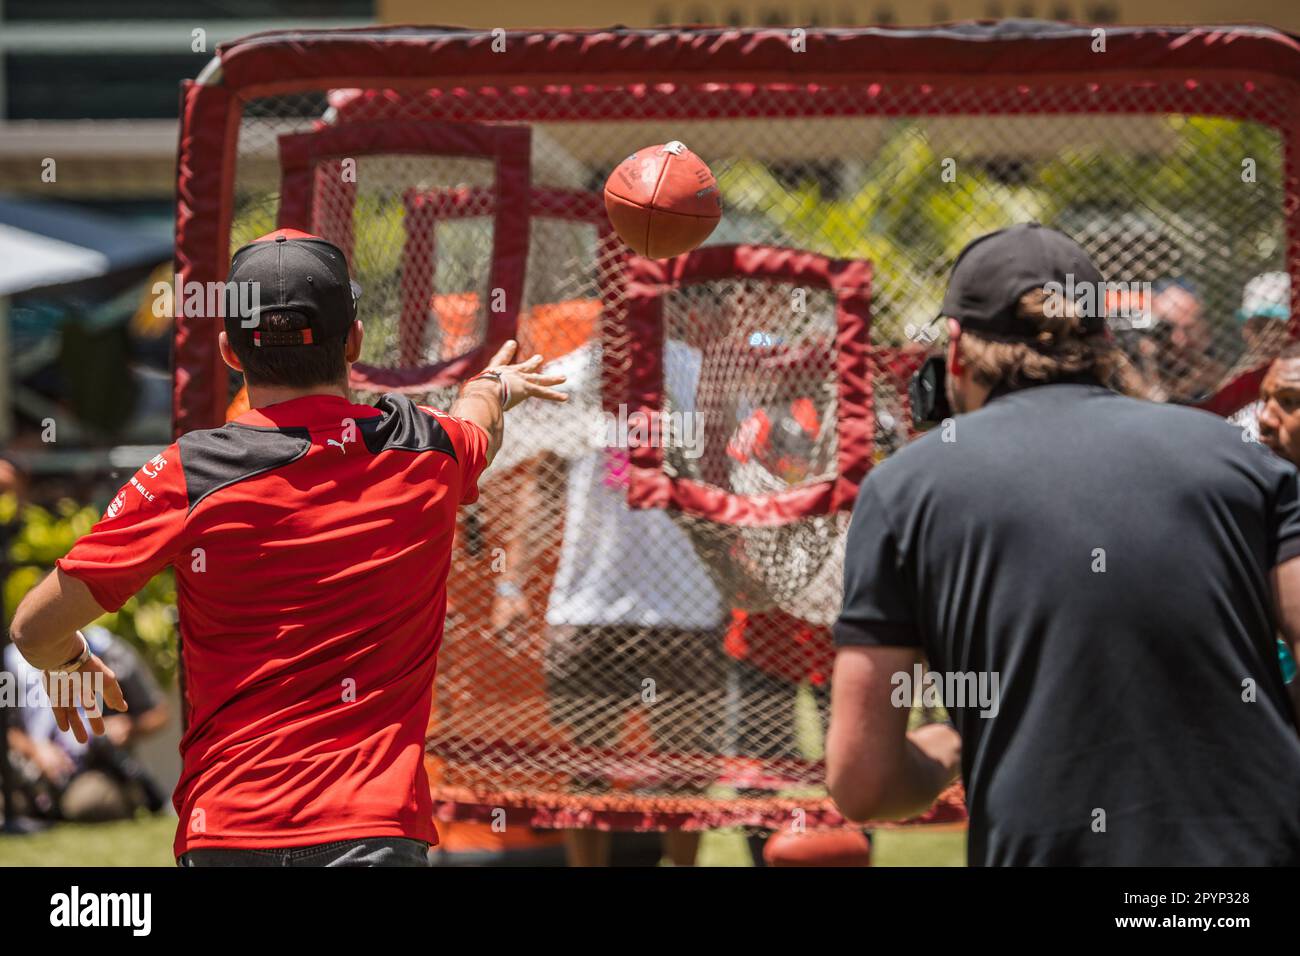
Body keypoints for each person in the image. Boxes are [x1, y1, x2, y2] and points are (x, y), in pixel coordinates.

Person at [8, 229, 566, 867]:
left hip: (229, 831)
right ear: (354, 341)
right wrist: (495, 384)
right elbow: (479, 424)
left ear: (230, 352)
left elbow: (33, 628)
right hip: (372, 832)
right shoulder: (428, 451)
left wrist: (72, 664)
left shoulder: (188, 473)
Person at [826, 222, 1300, 866]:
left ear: (958, 348)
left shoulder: (906, 489)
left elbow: (863, 781)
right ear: (1104, 339)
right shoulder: (1242, 457)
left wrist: (951, 745)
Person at [489, 338, 726, 867]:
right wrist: (511, 585)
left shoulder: (700, 371)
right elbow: (544, 485)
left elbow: (732, 481)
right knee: (586, 763)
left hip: (683, 605)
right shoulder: (570, 374)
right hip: (589, 602)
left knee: (685, 766)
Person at [4, 625, 169, 821]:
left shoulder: (110, 651)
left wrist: (128, 725)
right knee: (11, 803)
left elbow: (159, 713)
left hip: (92, 768)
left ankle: (129, 796)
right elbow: (7, 728)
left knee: (89, 803)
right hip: (31, 768)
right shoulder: (12, 659)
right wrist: (35, 750)